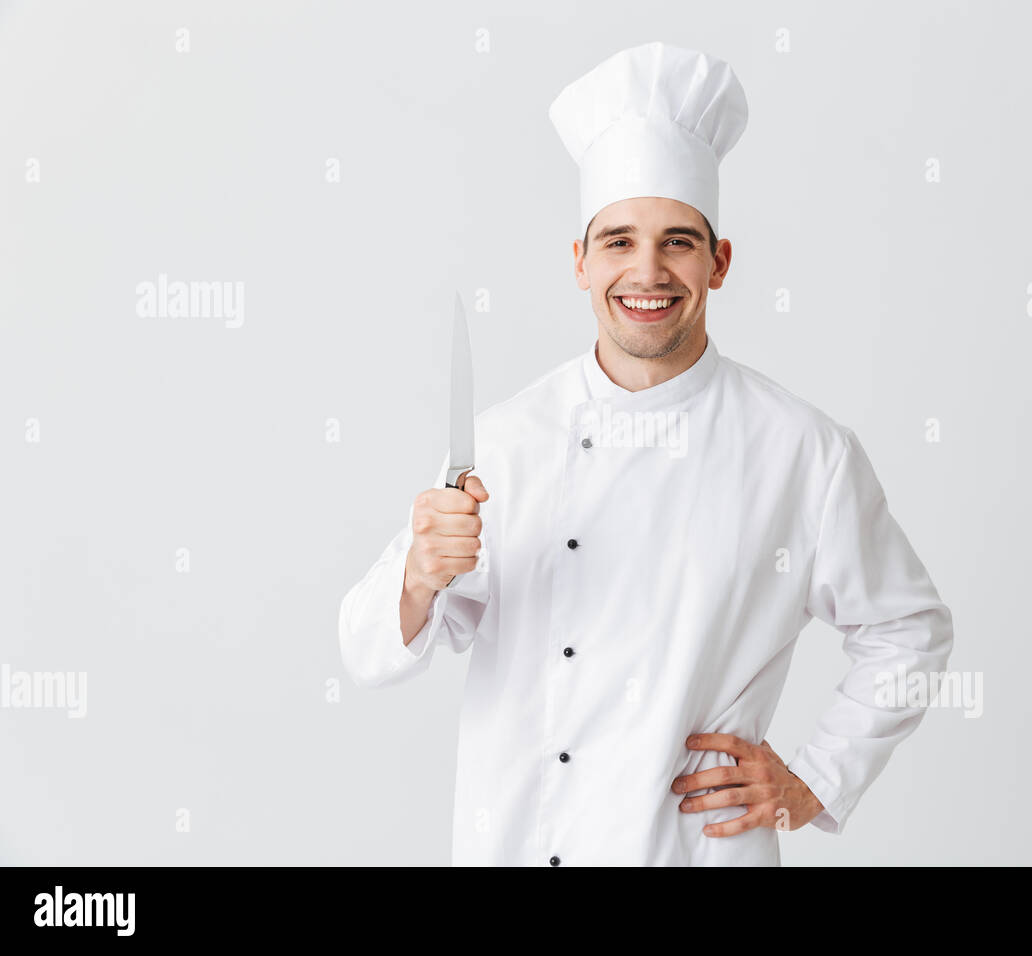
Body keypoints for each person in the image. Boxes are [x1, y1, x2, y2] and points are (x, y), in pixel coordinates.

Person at [338, 40, 954, 866]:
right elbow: (366, 651)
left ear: (719, 262)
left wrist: (816, 779)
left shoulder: (801, 451)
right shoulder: (505, 442)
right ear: (582, 265)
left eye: (678, 240)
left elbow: (909, 628)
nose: (648, 270)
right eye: (619, 241)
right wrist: (418, 574)